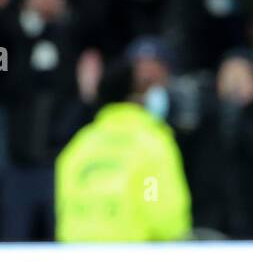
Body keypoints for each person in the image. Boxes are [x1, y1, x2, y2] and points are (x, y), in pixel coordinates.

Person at [54, 59, 191, 243]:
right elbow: (157, 205)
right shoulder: (151, 144)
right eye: (148, 85)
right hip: (135, 258)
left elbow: (65, 205)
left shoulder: (80, 144)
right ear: (135, 96)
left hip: (79, 256)